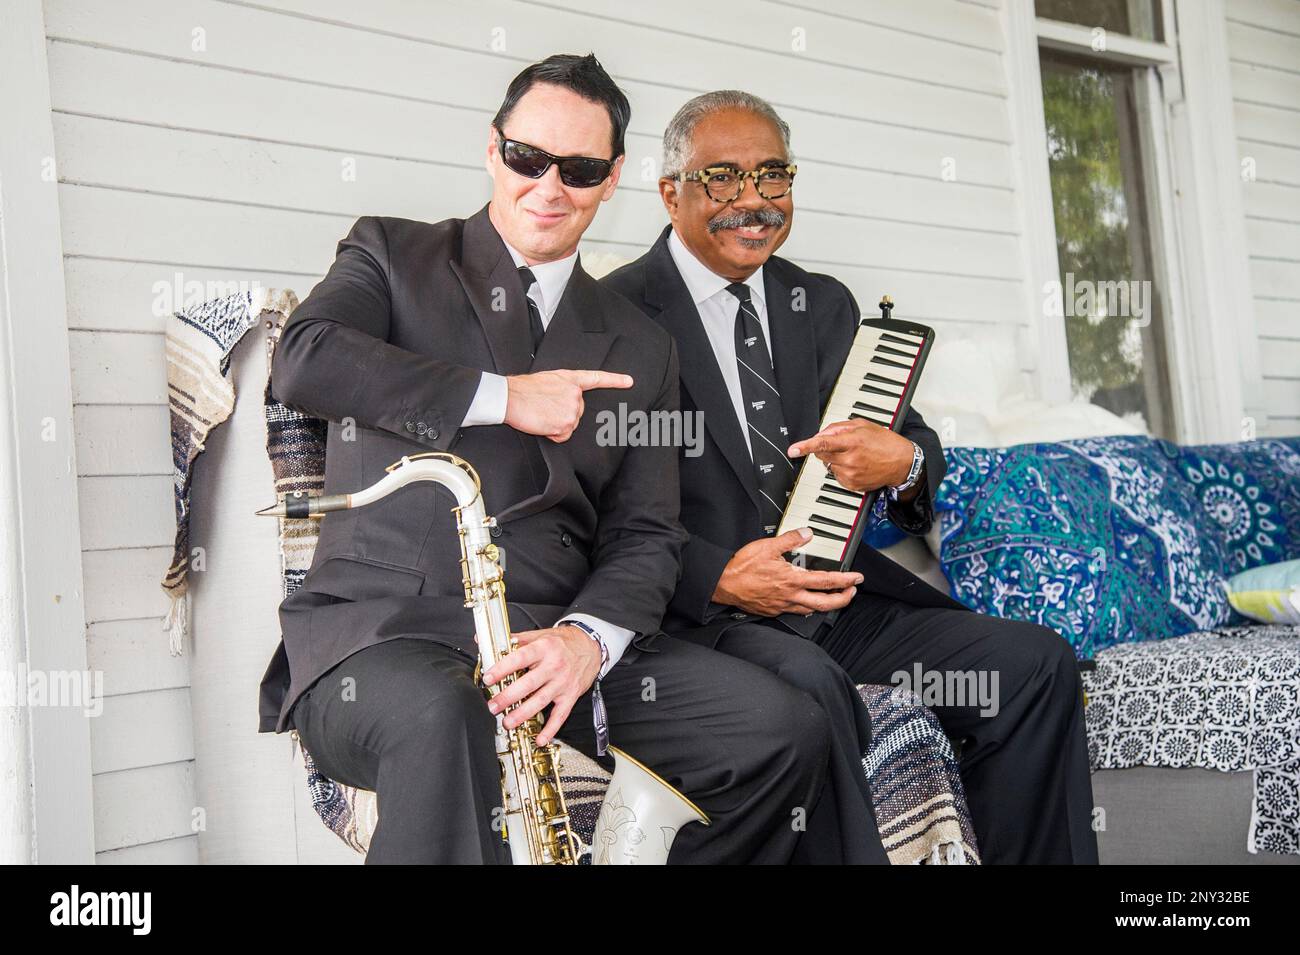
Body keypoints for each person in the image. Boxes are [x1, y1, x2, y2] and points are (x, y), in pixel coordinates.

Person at [257, 57, 875, 864]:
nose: (550, 187)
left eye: (579, 169)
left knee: (782, 728)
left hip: (554, 647)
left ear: (613, 180)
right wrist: (502, 395)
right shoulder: (392, 254)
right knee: (446, 714)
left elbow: (648, 534)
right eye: (528, 158)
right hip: (386, 639)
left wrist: (587, 639)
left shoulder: (642, 343)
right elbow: (304, 359)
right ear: (492, 149)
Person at [602, 89, 1100, 864]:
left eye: (773, 175)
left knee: (1034, 665)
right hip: (702, 623)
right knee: (804, 687)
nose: (754, 201)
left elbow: (912, 441)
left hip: (840, 603)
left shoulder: (821, 303)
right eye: (723, 179)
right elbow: (592, 503)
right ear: (671, 192)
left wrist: (902, 464)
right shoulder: (615, 314)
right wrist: (720, 578)